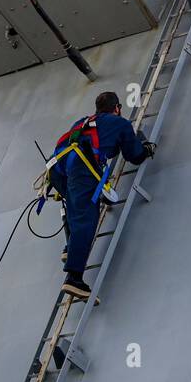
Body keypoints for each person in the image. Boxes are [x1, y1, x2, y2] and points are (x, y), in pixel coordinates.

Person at [48, 91, 154, 298]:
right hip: (81, 172)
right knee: (86, 220)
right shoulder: (120, 123)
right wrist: (146, 150)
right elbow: (133, 156)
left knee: (75, 209)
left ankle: (70, 247)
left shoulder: (83, 122)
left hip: (58, 170)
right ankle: (74, 278)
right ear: (117, 108)